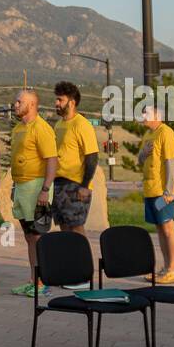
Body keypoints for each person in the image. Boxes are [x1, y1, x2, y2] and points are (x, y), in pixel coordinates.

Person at [7, 89, 57, 297]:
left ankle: (43, 282)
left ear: (32, 105)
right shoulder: (18, 129)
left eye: (20, 101)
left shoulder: (41, 128)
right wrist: (13, 187)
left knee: (38, 237)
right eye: (16, 101)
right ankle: (33, 280)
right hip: (21, 187)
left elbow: (52, 160)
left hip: (37, 188)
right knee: (29, 236)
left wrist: (45, 190)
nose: (15, 104)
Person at [139, 104, 174, 282]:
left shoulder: (166, 133)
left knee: (168, 227)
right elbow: (140, 160)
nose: (143, 116)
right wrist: (144, 152)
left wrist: (169, 191)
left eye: (146, 113)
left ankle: (172, 270)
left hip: (163, 193)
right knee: (159, 228)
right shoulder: (148, 135)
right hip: (150, 190)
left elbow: (173, 162)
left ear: (158, 115)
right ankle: (165, 269)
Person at [52, 81, 99, 238]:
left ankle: (83, 261)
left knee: (76, 229)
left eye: (60, 100)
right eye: (56, 99)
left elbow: (92, 157)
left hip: (76, 185)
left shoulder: (82, 125)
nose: (56, 103)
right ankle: (70, 261)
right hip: (58, 183)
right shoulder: (59, 124)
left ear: (71, 102)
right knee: (64, 229)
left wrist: (85, 186)